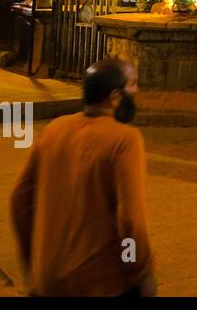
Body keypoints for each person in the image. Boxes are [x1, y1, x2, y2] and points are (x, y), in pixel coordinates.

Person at [9, 56, 157, 296]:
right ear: (115, 97)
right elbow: (130, 221)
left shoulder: (54, 130)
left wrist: (34, 257)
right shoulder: (124, 139)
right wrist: (136, 267)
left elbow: (20, 200)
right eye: (132, 84)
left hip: (48, 279)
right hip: (98, 283)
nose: (137, 90)